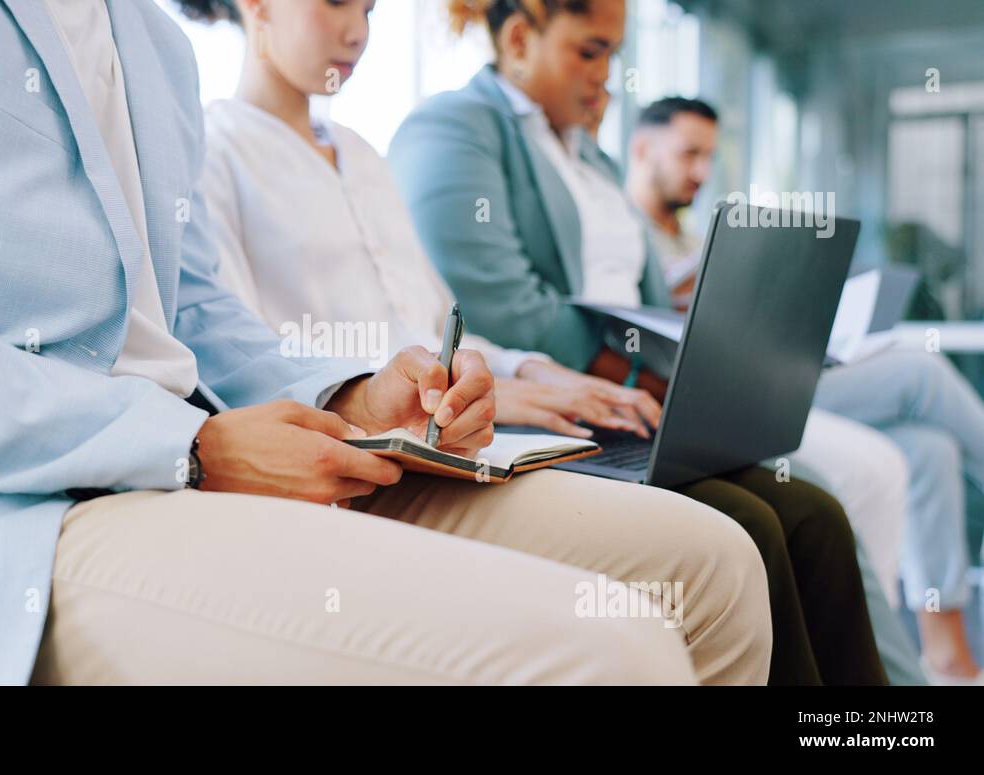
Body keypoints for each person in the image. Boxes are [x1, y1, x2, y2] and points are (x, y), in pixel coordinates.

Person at [0, 0, 770, 685]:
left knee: (711, 566)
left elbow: (192, 317)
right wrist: (179, 447)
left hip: (183, 470)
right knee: (603, 653)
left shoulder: (147, 35)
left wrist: (350, 397)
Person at [176, 0, 780, 687]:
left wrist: (527, 368)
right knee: (721, 543)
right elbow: (234, 350)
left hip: (447, 434)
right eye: (336, 2)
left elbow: (437, 319)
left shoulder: (366, 157)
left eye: (371, 9)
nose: (357, 32)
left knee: (738, 531)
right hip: (355, 451)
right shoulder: (209, 149)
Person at [389, 0, 889, 685]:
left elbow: (650, 302)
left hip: (633, 397)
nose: (606, 76)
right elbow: (503, 303)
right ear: (517, 39)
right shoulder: (453, 128)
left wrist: (701, 352)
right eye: (589, 51)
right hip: (559, 407)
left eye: (614, 55)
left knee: (816, 514)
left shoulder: (589, 154)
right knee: (758, 523)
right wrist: (640, 372)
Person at [627, 96, 984, 684]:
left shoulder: (694, 239)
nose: (700, 171)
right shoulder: (625, 233)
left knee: (929, 449)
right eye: (689, 153)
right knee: (920, 374)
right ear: (642, 147)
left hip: (777, 364)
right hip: (734, 386)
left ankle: (943, 656)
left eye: (708, 157)